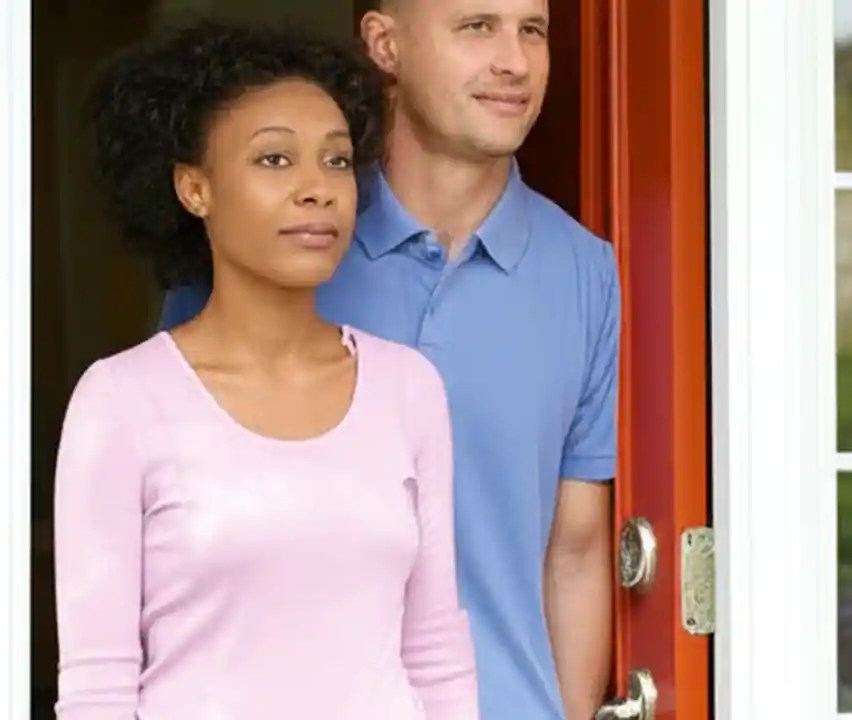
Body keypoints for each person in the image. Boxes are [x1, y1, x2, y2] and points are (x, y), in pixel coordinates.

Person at [160, 1, 620, 718]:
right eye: (477, 27)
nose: (515, 62)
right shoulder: (268, 243)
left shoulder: (586, 272)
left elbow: (577, 552)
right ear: (384, 44)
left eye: (532, 31)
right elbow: (167, 539)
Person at [54, 20, 477, 719]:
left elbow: (435, 652)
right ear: (195, 189)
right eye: (275, 159)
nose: (318, 188)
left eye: (336, 160)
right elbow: (97, 687)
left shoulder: (408, 389)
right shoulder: (122, 401)